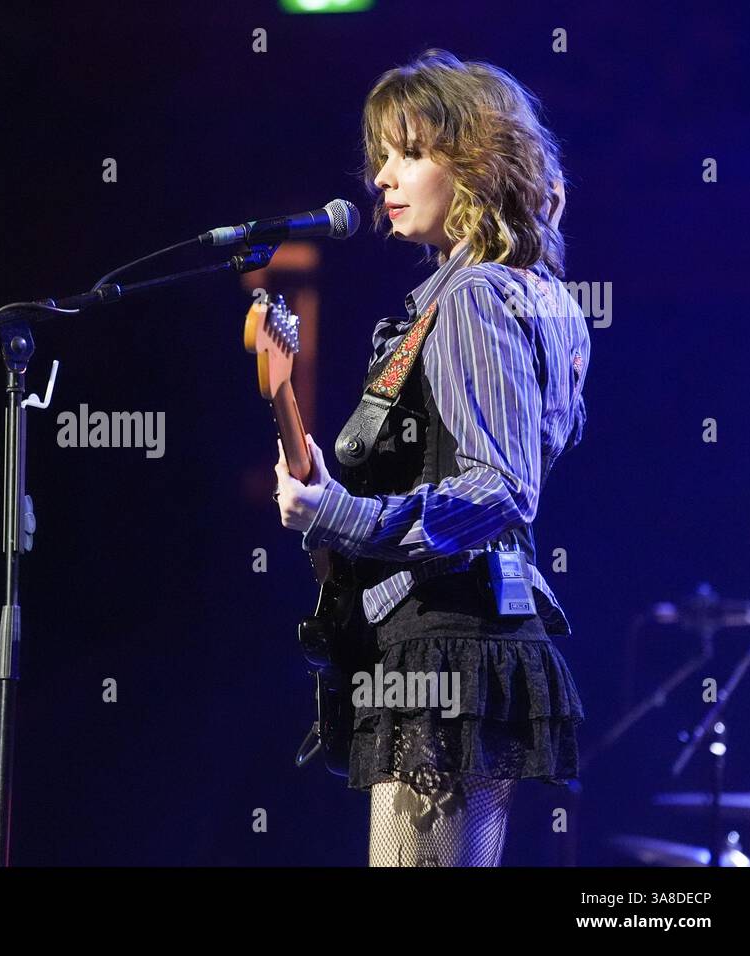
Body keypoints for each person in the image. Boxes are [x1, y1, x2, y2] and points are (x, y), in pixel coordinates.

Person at [275, 50, 588, 866]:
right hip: (470, 631)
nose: (383, 175)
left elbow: (501, 486)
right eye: (381, 154)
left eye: (409, 153)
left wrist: (338, 513)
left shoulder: (478, 295)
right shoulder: (537, 293)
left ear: (479, 162)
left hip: (449, 638)